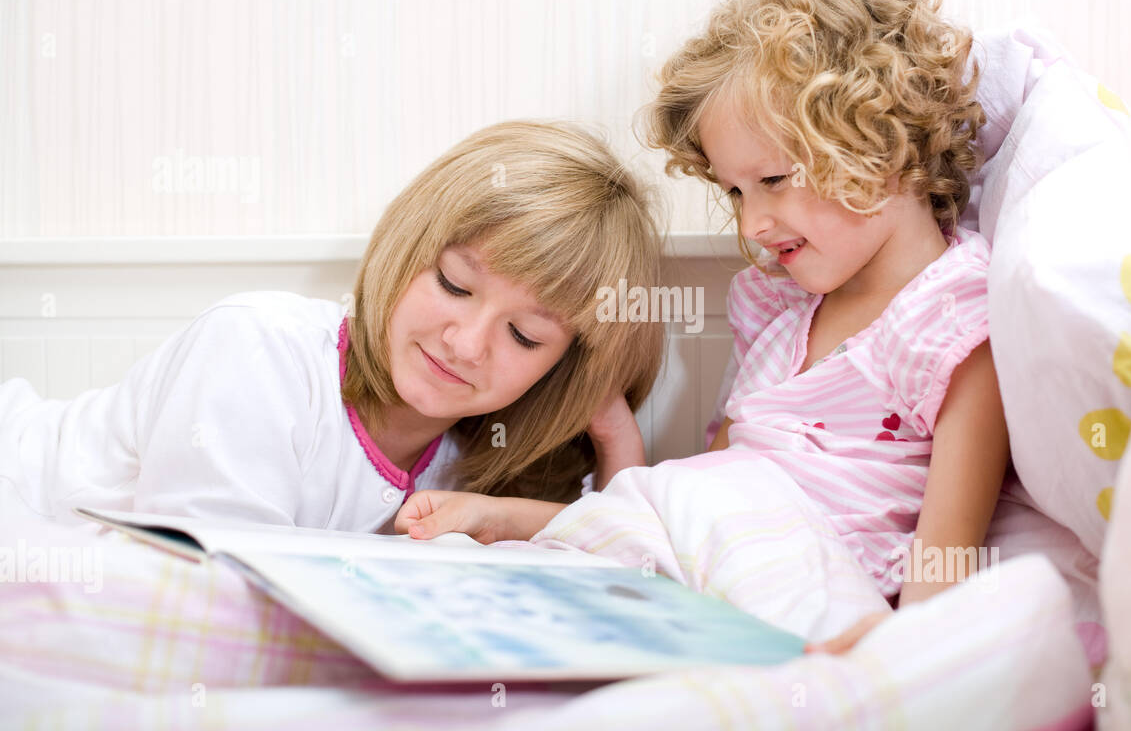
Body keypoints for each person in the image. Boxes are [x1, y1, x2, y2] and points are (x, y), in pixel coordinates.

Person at [396, 0, 1010, 653]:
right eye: (735, 192)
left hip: (814, 593)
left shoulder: (956, 321)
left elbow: (945, 565)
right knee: (502, 601)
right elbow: (685, 508)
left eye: (774, 179)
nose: (750, 225)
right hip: (715, 571)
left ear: (883, 145)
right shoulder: (780, 308)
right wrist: (510, 519)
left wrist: (904, 664)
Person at [0, 120, 664, 533]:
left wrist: (609, 428)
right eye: (454, 284)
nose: (466, 344)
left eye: (525, 337)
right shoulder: (258, 350)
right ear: (409, 249)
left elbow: (617, 549)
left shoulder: (474, 465)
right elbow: (209, 587)